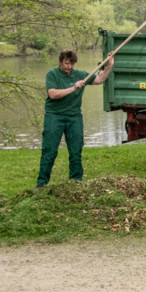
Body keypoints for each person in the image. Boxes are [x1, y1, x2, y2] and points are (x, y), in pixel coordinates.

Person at [36, 49, 114, 189]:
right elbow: (53, 94)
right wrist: (73, 88)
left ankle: (75, 182)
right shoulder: (52, 74)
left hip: (74, 117)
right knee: (50, 150)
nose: (69, 67)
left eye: (72, 64)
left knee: (75, 150)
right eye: (66, 63)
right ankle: (41, 183)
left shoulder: (81, 75)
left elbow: (100, 79)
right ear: (60, 61)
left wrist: (110, 65)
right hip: (54, 116)